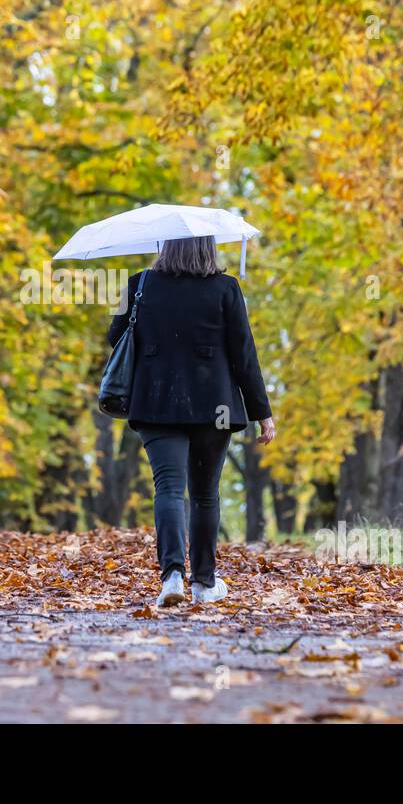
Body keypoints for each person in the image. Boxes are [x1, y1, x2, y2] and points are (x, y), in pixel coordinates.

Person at [107, 235, 275, 607]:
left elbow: (114, 338)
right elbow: (244, 354)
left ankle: (171, 578)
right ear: (207, 247)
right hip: (213, 406)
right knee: (204, 493)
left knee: (168, 487)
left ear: (166, 247)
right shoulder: (226, 288)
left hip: (155, 402)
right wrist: (262, 412)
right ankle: (203, 582)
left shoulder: (137, 284)